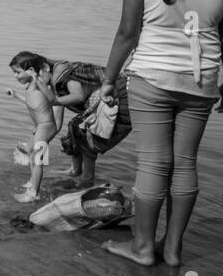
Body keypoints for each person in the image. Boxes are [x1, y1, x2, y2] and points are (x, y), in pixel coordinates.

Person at [97, 0, 223, 267]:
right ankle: (173, 250)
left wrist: (109, 80)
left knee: (153, 163)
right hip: (202, 81)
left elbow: (127, 34)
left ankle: (143, 248)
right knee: (185, 162)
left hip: (151, 80)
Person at [9, 50, 131, 185]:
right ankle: (75, 170)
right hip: (103, 99)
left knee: (87, 133)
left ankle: (87, 178)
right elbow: (54, 121)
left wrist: (54, 101)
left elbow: (78, 96)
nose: (36, 83)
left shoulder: (64, 76)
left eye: (35, 77)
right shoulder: (52, 84)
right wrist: (33, 142)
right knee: (74, 126)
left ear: (45, 68)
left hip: (121, 96)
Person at [6, 56, 58, 203]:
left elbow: (51, 98)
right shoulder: (30, 86)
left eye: (17, 72)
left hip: (46, 125)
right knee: (30, 152)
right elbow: (31, 102)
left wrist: (38, 80)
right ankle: (32, 182)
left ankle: (33, 193)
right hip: (40, 126)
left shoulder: (37, 82)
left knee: (37, 158)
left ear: (30, 71)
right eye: (14, 73)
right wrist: (16, 95)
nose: (15, 76)